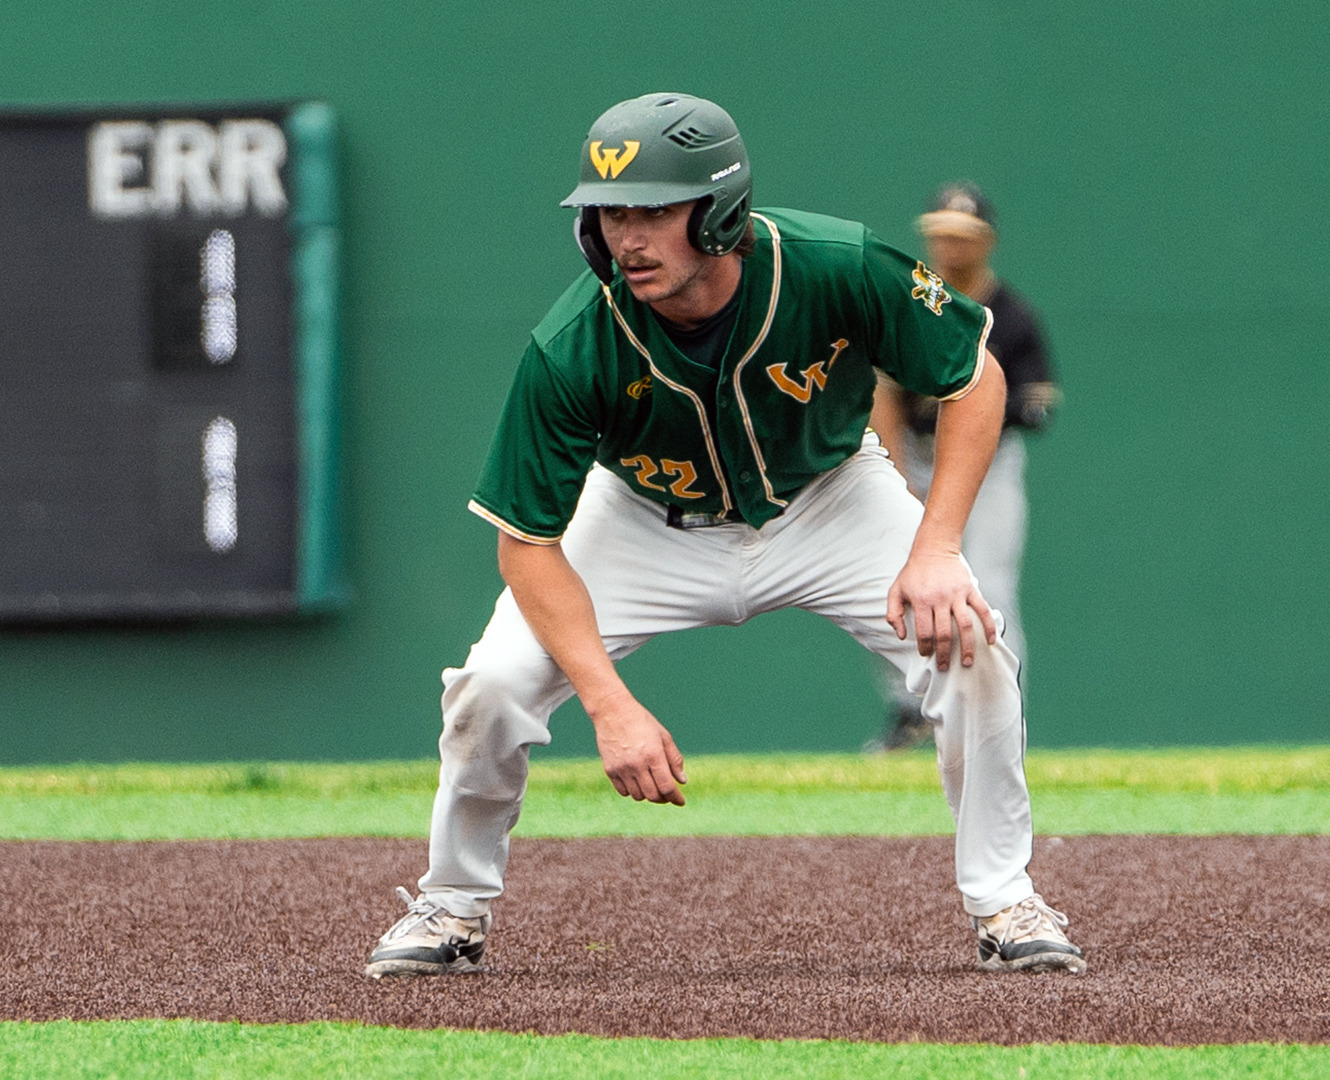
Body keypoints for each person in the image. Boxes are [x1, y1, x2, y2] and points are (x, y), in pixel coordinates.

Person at [363, 92, 1085, 977]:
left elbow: (974, 378)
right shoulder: (573, 343)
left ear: (722, 212)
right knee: (490, 685)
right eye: (610, 213)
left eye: (655, 211)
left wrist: (936, 548)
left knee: (971, 643)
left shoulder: (833, 263)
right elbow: (526, 544)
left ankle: (1005, 897)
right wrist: (609, 705)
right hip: (641, 519)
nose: (627, 237)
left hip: (828, 495)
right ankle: (450, 905)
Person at [868, 183, 1058, 750]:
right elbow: (880, 390)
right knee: (888, 580)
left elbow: (1039, 402)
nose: (951, 245)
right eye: (942, 233)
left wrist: (993, 408)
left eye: (964, 235)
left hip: (989, 464)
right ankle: (912, 710)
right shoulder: (910, 302)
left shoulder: (1014, 316)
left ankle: (1001, 719)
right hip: (917, 458)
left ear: (987, 242)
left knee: (990, 585)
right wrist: (894, 472)